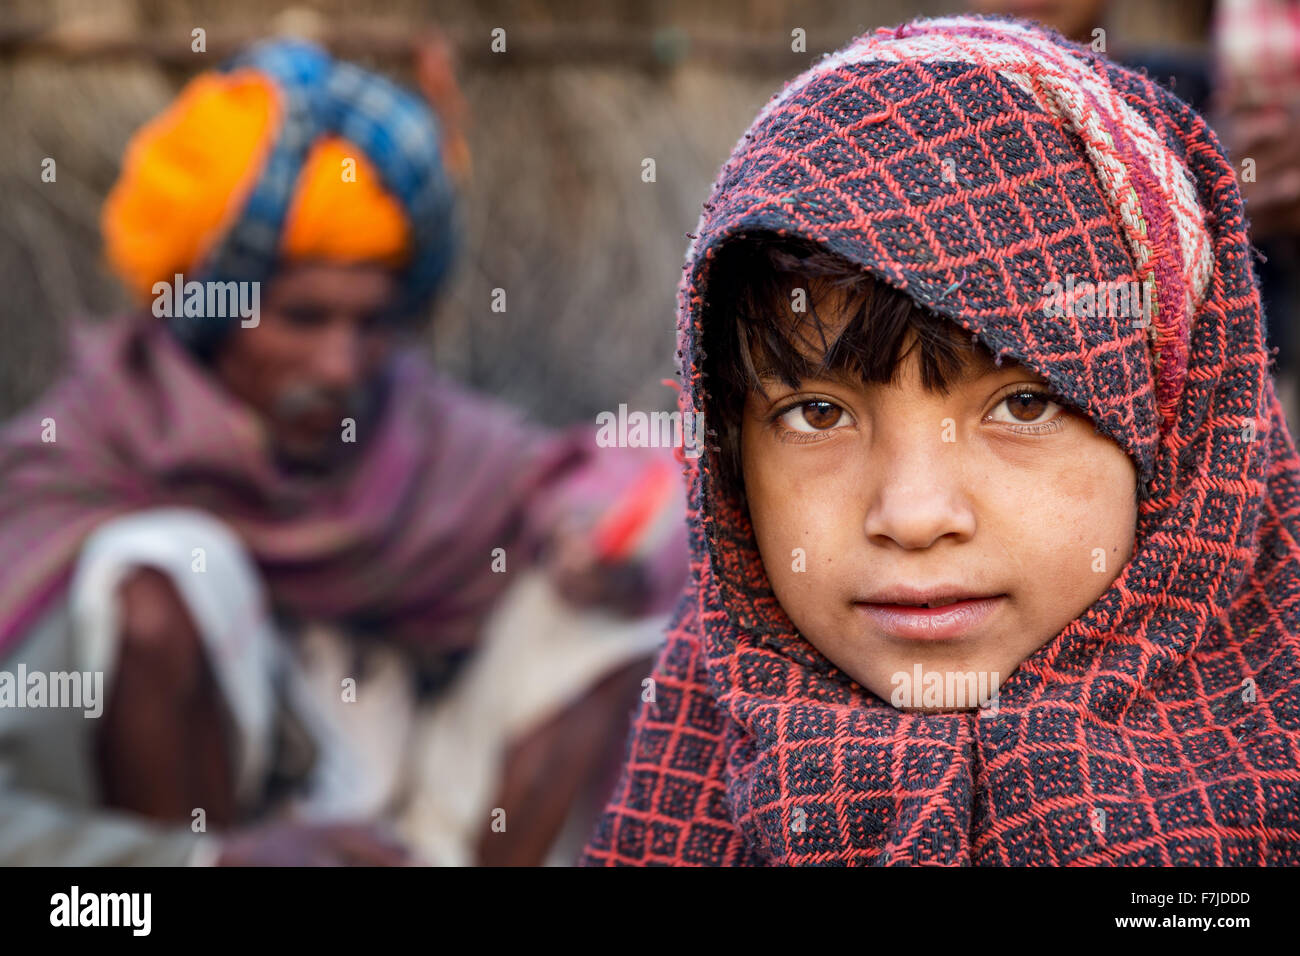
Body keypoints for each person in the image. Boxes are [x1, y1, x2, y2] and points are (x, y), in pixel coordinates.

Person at [582, 15, 1300, 865]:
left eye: (1028, 403)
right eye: (817, 414)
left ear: (1176, 433)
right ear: (730, 471)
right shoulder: (689, 774)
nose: (914, 515)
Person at [0, 37, 687, 865]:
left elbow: (596, 473)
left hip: (425, 826)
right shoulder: (90, 445)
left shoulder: (423, 432)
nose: (340, 365)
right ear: (208, 311)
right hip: (219, 852)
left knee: (624, 597)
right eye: (303, 319)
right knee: (160, 567)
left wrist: (598, 536)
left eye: (370, 324)